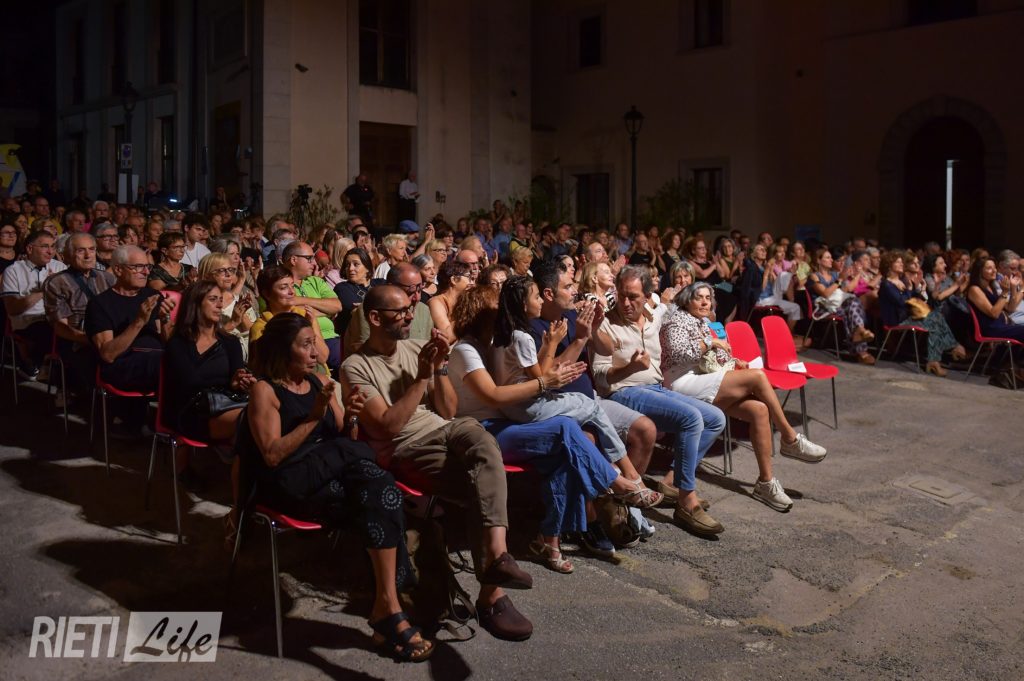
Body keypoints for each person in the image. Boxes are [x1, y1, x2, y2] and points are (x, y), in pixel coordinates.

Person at [342, 285, 535, 642]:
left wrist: (440, 367)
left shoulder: (417, 349)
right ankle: (492, 593)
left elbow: (447, 410)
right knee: (483, 482)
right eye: (399, 312)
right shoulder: (355, 366)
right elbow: (387, 426)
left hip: (445, 430)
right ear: (374, 318)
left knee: (481, 438)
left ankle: (498, 556)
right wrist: (420, 376)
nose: (409, 317)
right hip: (407, 447)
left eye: (410, 310)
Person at [240, 313, 432, 661]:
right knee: (378, 493)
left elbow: (347, 437)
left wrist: (354, 414)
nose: (316, 352)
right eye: (306, 345)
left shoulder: (316, 382)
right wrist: (314, 417)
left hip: (332, 470)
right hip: (292, 481)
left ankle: (386, 605)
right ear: (285, 351)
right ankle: (388, 608)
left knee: (381, 489)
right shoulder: (264, 391)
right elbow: (271, 455)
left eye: (315, 342)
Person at [450, 285, 654, 569]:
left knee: (562, 452)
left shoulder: (497, 342)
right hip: (484, 429)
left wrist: (548, 349)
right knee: (564, 427)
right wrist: (546, 382)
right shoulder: (466, 349)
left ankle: (550, 540)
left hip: (509, 422)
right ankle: (614, 481)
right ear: (480, 313)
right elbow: (494, 395)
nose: (500, 309)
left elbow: (537, 373)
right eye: (494, 306)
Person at [493, 275, 660, 502]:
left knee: (612, 416)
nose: (540, 301)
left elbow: (604, 349)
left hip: (526, 404)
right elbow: (540, 379)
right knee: (591, 410)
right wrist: (555, 344)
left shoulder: (515, 331)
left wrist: (593, 329)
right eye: (536, 297)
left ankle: (625, 484)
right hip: (526, 406)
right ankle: (627, 479)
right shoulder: (523, 335)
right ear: (524, 304)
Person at [661, 283, 827, 511]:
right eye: (698, 297)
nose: (704, 302)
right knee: (758, 377)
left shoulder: (706, 322)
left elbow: (716, 357)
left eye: (707, 298)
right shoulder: (676, 320)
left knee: (759, 411)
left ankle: (765, 483)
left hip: (706, 379)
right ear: (687, 300)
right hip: (681, 381)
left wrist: (733, 362)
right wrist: (711, 342)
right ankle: (789, 439)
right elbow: (680, 354)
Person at [591, 266, 727, 536]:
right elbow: (600, 378)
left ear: (647, 296)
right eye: (622, 296)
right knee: (690, 418)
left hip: (656, 389)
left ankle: (673, 483)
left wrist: (712, 326)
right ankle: (687, 501)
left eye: (634, 297)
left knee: (715, 419)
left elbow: (687, 320)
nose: (626, 303)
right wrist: (629, 367)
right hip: (624, 391)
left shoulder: (658, 316)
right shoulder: (605, 323)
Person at [85, 245, 176, 434]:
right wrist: (139, 321)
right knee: (173, 365)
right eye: (137, 267)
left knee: (191, 359)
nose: (145, 272)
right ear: (118, 269)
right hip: (124, 364)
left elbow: (167, 340)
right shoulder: (100, 304)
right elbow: (108, 354)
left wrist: (166, 319)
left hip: (157, 359)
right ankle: (174, 425)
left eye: (147, 267)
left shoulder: (152, 295)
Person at [44, 233, 116, 397]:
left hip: (109, 336)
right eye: (80, 250)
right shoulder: (56, 282)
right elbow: (60, 327)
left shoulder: (107, 278)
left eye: (91, 249)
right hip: (77, 340)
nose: (88, 255)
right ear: (67, 255)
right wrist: (93, 340)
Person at [877, 252, 964, 376]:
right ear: (889, 266)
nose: (901, 263)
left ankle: (934, 361)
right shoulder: (887, 284)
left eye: (901, 261)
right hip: (896, 320)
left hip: (908, 316)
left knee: (936, 318)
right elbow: (902, 302)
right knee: (935, 319)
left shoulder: (902, 281)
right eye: (898, 262)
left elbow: (917, 299)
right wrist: (909, 288)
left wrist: (917, 287)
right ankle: (948, 349)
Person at [2, 230, 67, 378]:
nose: (50, 251)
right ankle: (36, 362)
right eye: (45, 246)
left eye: (53, 246)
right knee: (50, 329)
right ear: (30, 249)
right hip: (29, 321)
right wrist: (43, 291)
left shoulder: (60, 268)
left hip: (58, 318)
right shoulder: (13, 271)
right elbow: (12, 308)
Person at [251, 266, 329, 375]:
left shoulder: (305, 315)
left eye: (293, 286)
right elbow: (265, 368)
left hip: (320, 377)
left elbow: (322, 357)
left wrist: (309, 326)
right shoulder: (261, 327)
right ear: (267, 294)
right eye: (284, 288)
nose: (292, 292)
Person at [345, 263, 434, 356]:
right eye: (410, 292)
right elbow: (366, 356)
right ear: (391, 286)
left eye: (419, 290)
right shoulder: (371, 312)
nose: (417, 297)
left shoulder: (424, 310)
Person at [807, 247, 875, 364]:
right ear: (818, 261)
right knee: (850, 309)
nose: (831, 260)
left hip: (838, 305)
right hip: (824, 308)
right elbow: (826, 294)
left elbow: (847, 289)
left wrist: (857, 273)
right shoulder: (814, 276)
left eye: (831, 257)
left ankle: (860, 334)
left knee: (853, 302)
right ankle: (861, 348)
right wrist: (839, 280)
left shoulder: (835, 274)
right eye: (827, 257)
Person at [281, 241, 342, 371]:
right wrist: (325, 310)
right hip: (309, 343)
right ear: (293, 260)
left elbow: (337, 306)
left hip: (334, 338)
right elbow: (292, 311)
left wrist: (301, 300)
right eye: (309, 258)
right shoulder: (282, 285)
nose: (314, 263)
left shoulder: (316, 281)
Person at [965, 257, 1024, 379]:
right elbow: (994, 313)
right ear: (980, 271)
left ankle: (1012, 367)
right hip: (991, 328)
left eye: (994, 267)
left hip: (1002, 326)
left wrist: (1012, 288)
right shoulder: (974, 289)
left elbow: (1010, 308)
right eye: (989, 268)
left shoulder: (991, 288)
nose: (994, 271)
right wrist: (1004, 293)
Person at [198, 253, 256, 359]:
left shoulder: (239, 299)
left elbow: (255, 338)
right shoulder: (200, 303)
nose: (229, 275)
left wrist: (243, 318)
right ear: (207, 275)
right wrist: (232, 323)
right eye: (222, 270)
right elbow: (203, 344)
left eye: (230, 270)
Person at [427, 260, 473, 344]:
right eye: (468, 277)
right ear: (454, 280)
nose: (472, 282)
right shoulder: (436, 302)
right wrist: (467, 313)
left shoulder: (465, 301)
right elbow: (447, 337)